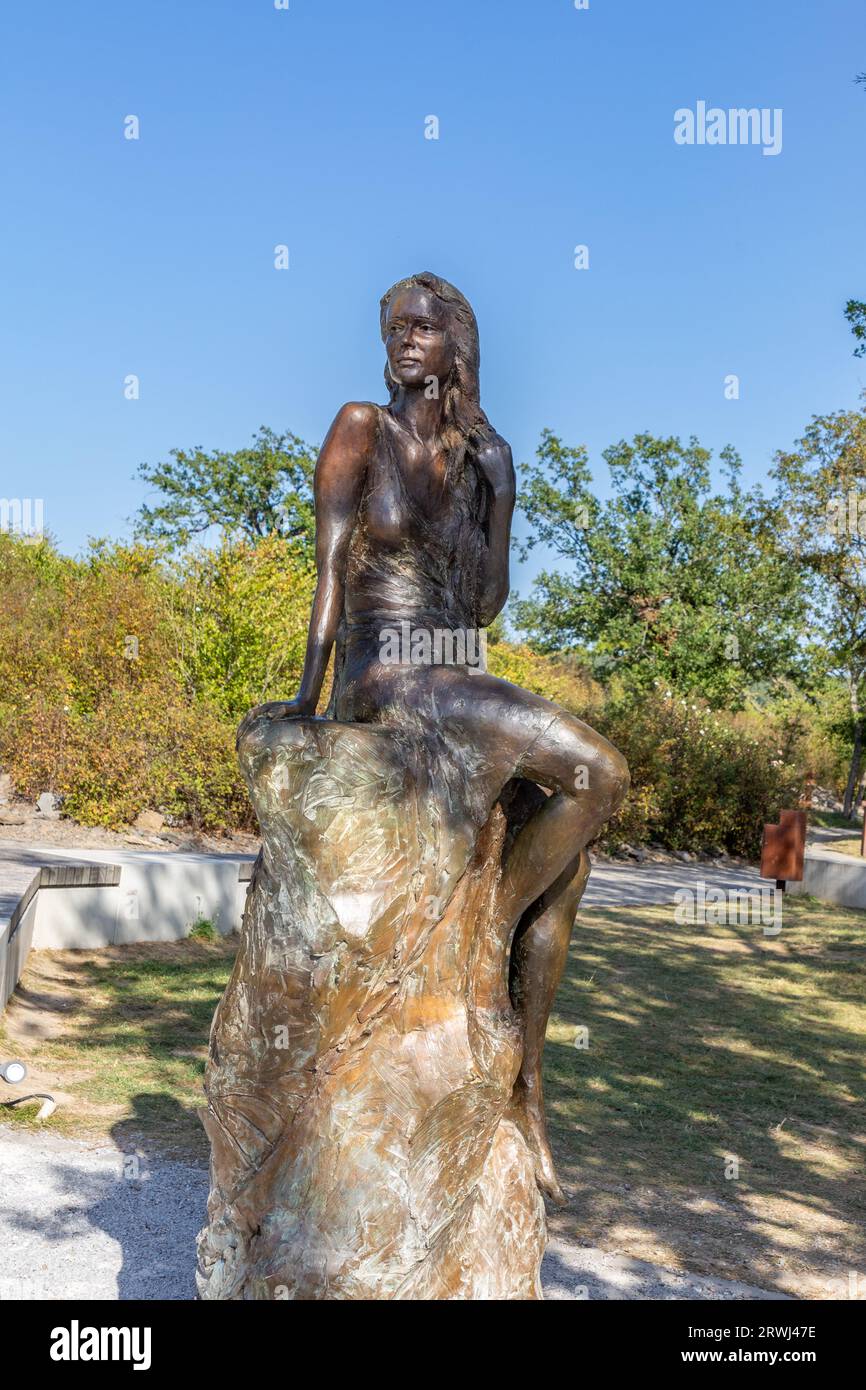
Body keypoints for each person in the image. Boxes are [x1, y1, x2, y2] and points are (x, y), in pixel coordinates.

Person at [239, 272, 629, 1201]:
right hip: (385, 672)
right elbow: (329, 568)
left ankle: (527, 1089)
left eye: (423, 327)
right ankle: (490, 920)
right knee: (601, 773)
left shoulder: (479, 451)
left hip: (456, 669)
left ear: (457, 345)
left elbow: (488, 601)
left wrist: (505, 496)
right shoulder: (358, 429)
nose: (405, 340)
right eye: (393, 328)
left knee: (570, 856)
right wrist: (310, 697)